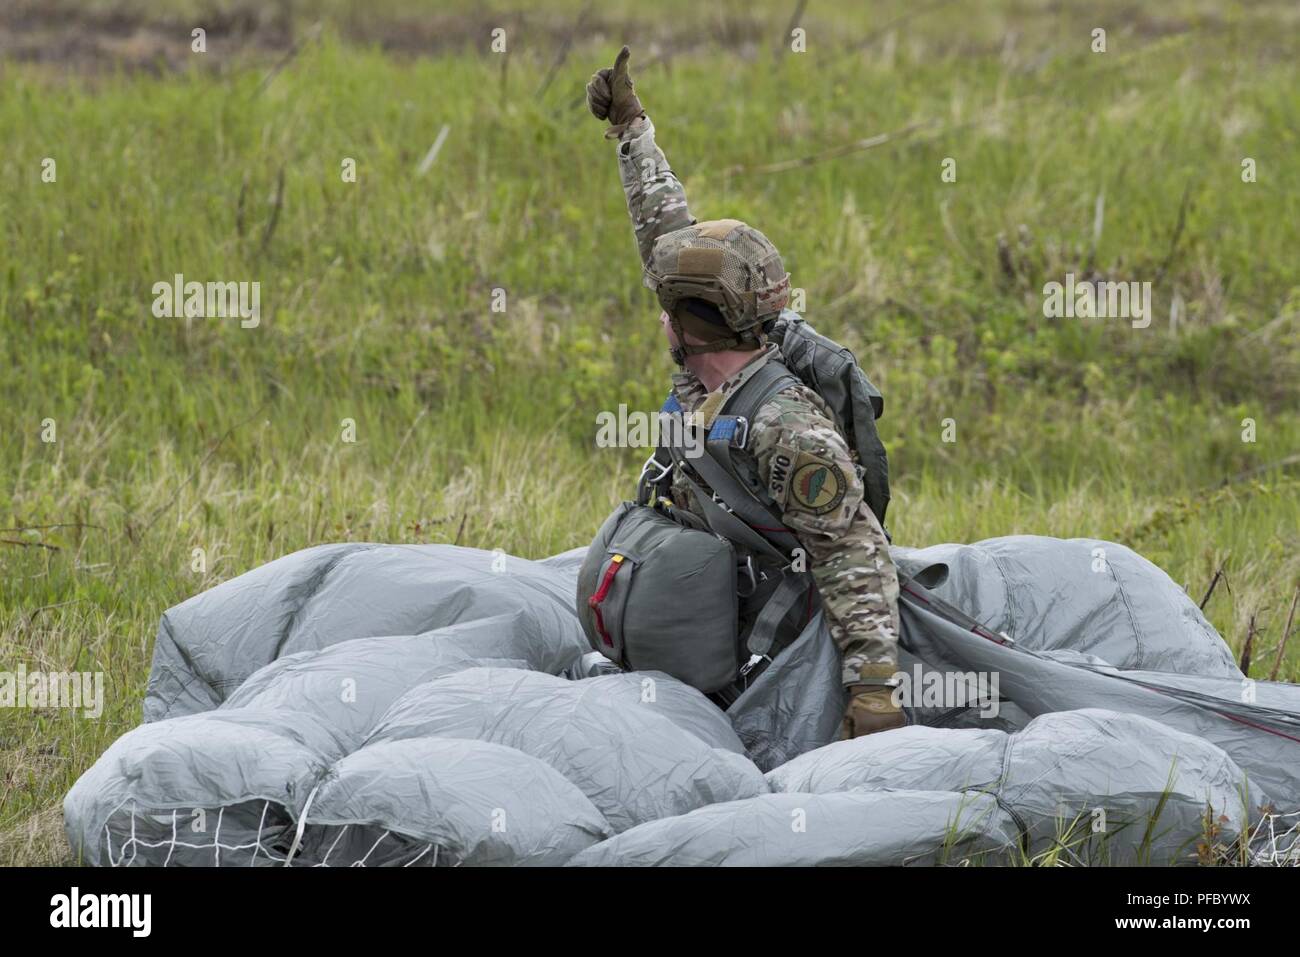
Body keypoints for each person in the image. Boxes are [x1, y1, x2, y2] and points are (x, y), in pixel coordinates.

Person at [587, 47, 904, 738]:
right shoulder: (707, 369)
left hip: (764, 651)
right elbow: (665, 233)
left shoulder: (786, 425)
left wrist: (874, 694)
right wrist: (631, 130)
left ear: (678, 326)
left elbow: (853, 552)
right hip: (699, 606)